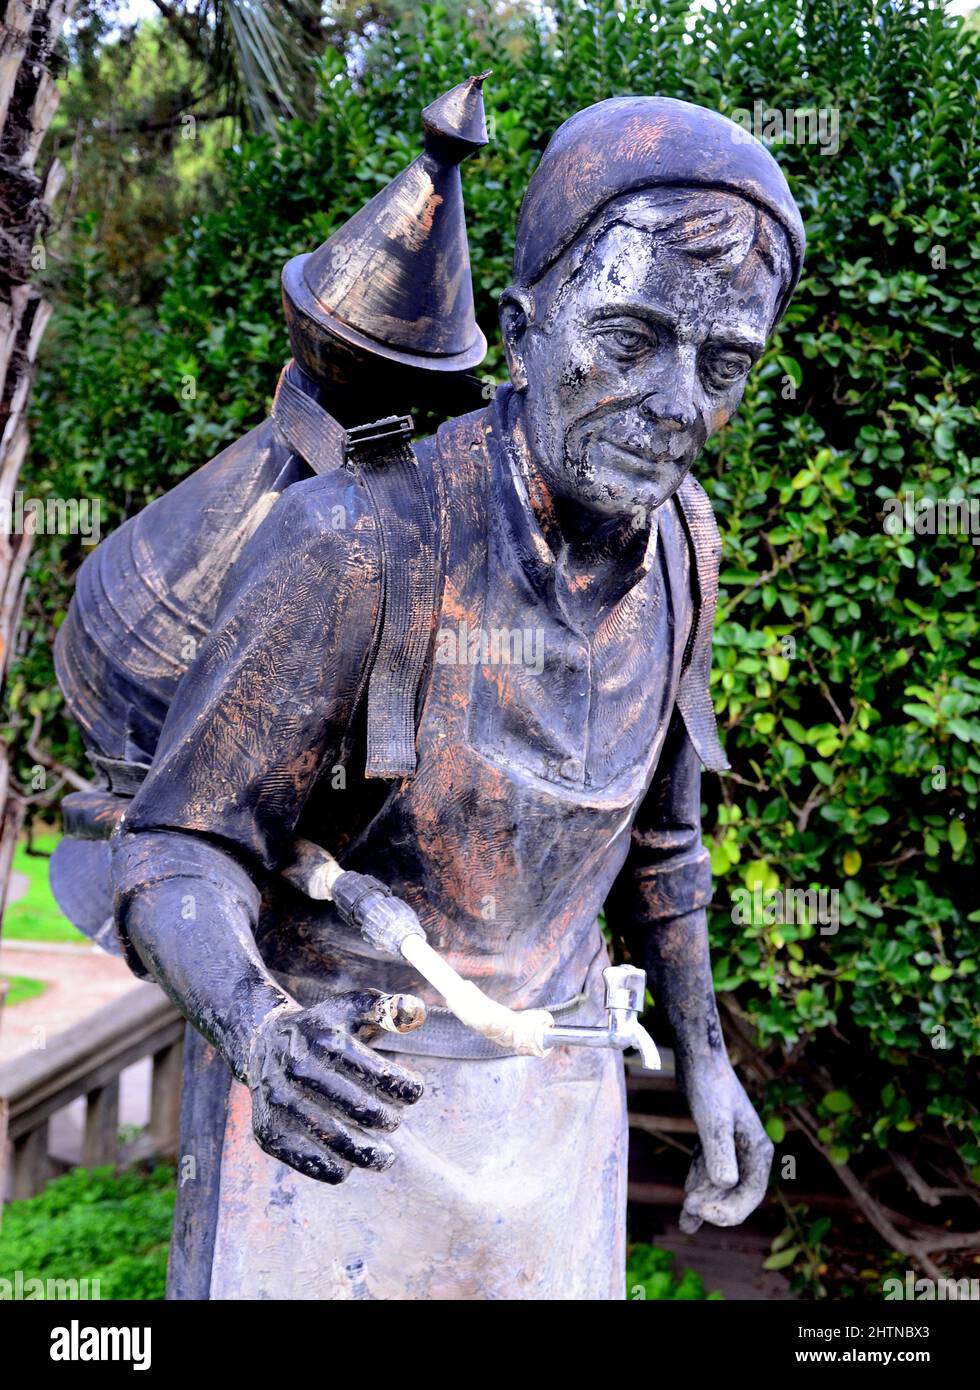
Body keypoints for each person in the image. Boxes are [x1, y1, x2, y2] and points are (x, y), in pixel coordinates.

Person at [107, 95, 805, 1300]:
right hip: (327, 1126)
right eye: (630, 339)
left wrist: (703, 1057)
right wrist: (261, 1033)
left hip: (549, 1116)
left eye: (724, 362)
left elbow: (665, 839)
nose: (680, 405)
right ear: (522, 330)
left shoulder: (684, 544)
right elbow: (174, 848)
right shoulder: (358, 543)